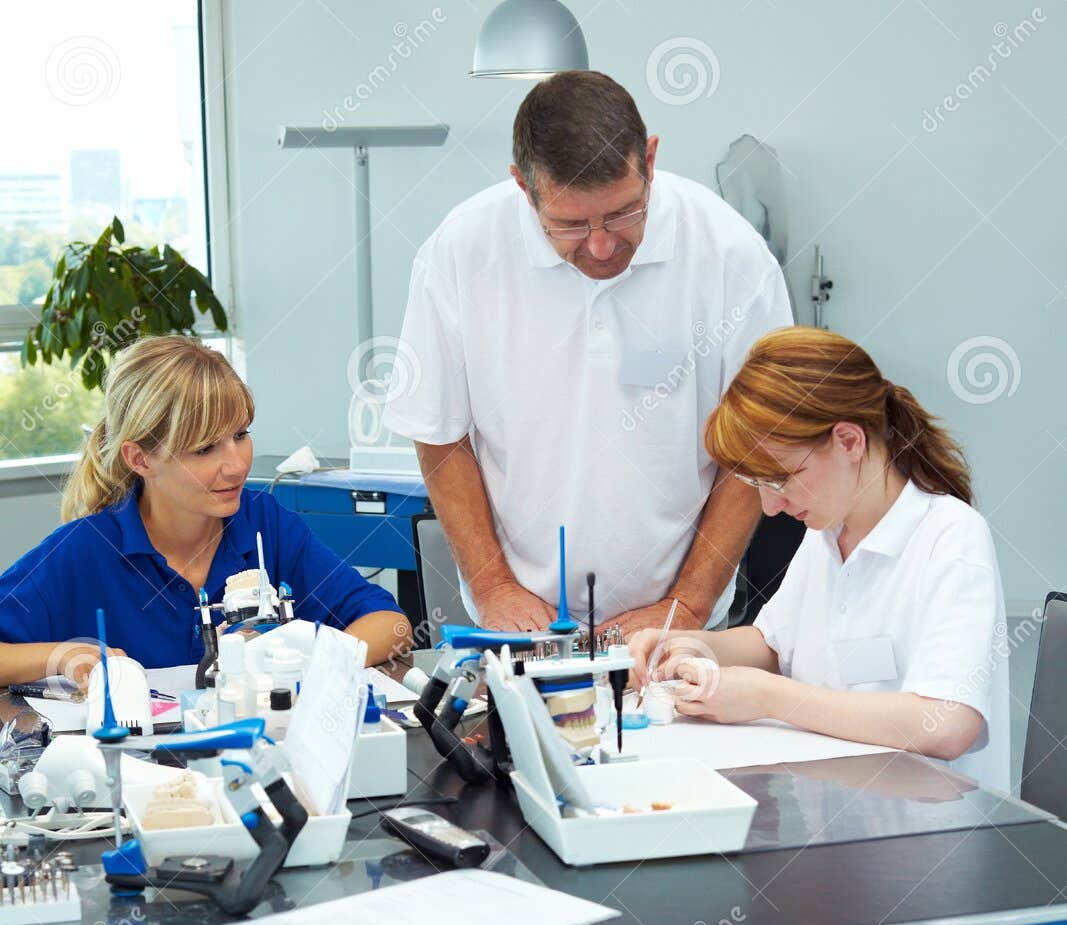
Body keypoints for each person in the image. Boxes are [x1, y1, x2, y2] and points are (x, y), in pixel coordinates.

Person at [383, 70, 792, 637]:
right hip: (519, 620)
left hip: (676, 626)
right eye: (570, 224)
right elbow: (438, 431)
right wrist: (493, 586)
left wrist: (689, 605)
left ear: (648, 160)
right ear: (523, 189)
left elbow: (755, 448)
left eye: (624, 213)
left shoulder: (732, 257)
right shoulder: (461, 250)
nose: (601, 246)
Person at [630, 327, 1010, 793]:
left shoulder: (949, 536)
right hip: (837, 815)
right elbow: (772, 645)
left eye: (782, 478)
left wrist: (769, 697)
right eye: (759, 486)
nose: (771, 508)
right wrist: (687, 645)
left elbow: (947, 724)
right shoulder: (828, 531)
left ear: (849, 441)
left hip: (928, 832)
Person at [0, 337, 412, 687]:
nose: (236, 465)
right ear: (140, 459)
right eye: (204, 449)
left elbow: (392, 625)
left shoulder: (263, 524)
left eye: (240, 434)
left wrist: (302, 657)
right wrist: (62, 655)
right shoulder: (85, 550)